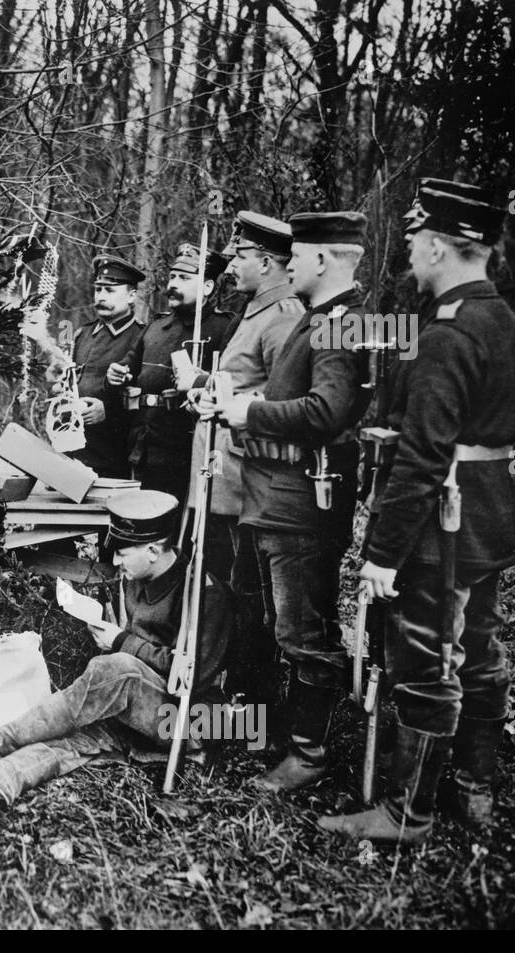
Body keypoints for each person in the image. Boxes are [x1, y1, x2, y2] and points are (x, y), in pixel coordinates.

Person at [319, 180, 515, 845]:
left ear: (440, 247)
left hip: (444, 525)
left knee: (424, 659)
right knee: (478, 650)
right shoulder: (506, 322)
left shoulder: (447, 333)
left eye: (415, 243)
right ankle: (474, 785)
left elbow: (422, 455)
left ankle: (406, 811)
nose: (409, 257)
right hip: (490, 520)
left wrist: (382, 556)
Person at [0, 491, 233, 804]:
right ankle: (8, 775)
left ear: (152, 550)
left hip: (194, 718)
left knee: (115, 671)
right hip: (140, 711)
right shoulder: (135, 577)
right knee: (74, 738)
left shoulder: (204, 594)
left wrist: (120, 642)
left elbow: (191, 675)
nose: (115, 562)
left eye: (122, 553)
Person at [213, 211, 371, 793]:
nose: (291, 265)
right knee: (280, 627)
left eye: (298, 256)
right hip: (273, 500)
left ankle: (310, 754)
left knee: (305, 635)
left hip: (304, 506)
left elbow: (328, 413)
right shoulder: (319, 321)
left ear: (324, 260)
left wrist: (249, 412)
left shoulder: (342, 325)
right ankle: (277, 731)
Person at [189, 211, 304, 699]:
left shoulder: (284, 318)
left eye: (240, 256)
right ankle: (227, 688)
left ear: (270, 262)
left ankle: (253, 702)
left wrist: (233, 414)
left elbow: (286, 413)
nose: (230, 264)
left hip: (250, 487)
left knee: (253, 602)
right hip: (223, 481)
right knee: (225, 593)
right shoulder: (254, 310)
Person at [114, 241, 235, 504]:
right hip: (144, 443)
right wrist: (115, 376)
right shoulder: (156, 326)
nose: (173, 283)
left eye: (184, 278)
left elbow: (233, 385)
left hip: (190, 447)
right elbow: (126, 368)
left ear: (207, 287)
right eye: (172, 276)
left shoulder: (224, 327)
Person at [64, 253, 144, 478]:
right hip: (71, 451)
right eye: (98, 289)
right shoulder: (81, 334)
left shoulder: (142, 336)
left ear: (131, 296)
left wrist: (108, 411)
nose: (100, 297)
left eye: (109, 291)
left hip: (113, 455)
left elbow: (145, 397)